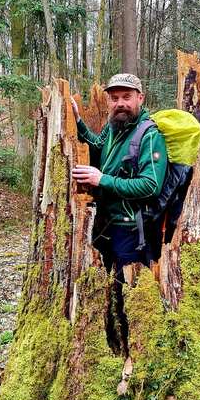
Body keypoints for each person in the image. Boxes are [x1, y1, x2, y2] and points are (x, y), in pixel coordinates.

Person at [70, 73, 168, 273]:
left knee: (127, 283)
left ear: (140, 98)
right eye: (114, 98)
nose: (120, 103)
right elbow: (97, 146)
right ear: (108, 101)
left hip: (131, 229)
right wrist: (77, 121)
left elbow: (151, 186)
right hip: (105, 223)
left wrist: (102, 179)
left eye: (126, 97)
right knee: (104, 280)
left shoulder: (150, 135)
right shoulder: (114, 126)